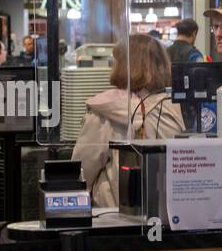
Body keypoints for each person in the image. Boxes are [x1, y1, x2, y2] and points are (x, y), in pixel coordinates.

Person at [71, 34, 184, 206]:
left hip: (112, 216)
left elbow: (81, 173)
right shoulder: (177, 108)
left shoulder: (104, 111)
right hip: (168, 214)